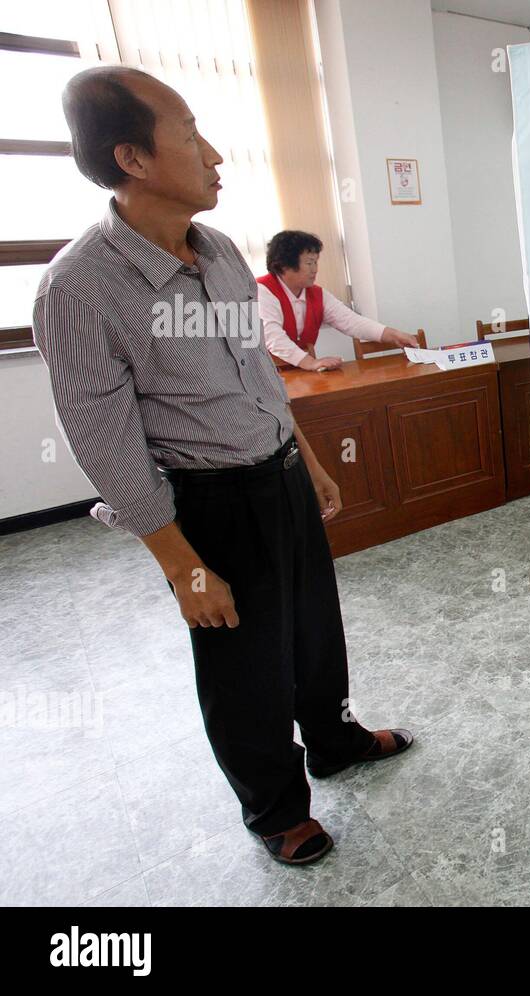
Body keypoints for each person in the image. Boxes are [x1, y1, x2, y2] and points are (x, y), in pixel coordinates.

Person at [33, 66, 412, 866]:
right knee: (245, 664)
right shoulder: (78, 288)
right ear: (132, 158)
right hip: (208, 501)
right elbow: (106, 446)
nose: (214, 155)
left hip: (277, 473)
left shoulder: (221, 253)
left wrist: (305, 461)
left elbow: (259, 375)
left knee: (314, 631)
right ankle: (276, 808)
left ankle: (335, 738)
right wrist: (181, 569)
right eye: (190, 134)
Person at [258, 229, 419, 370]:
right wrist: (310, 363)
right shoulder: (259, 291)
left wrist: (393, 334)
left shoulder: (317, 294)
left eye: (316, 262)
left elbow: (352, 322)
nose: (315, 269)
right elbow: (272, 338)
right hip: (262, 378)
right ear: (284, 266)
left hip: (300, 375)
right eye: (309, 263)